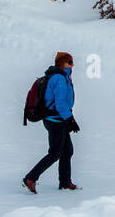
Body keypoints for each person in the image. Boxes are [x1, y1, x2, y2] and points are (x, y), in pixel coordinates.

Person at [23, 52, 81, 193]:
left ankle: (65, 182)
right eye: (69, 62)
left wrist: (68, 119)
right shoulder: (59, 79)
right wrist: (70, 119)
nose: (72, 64)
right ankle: (30, 178)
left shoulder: (63, 77)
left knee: (67, 151)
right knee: (55, 152)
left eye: (72, 61)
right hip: (56, 120)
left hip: (58, 119)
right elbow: (60, 103)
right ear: (61, 63)